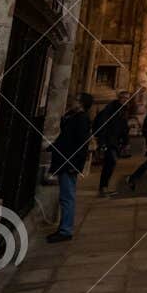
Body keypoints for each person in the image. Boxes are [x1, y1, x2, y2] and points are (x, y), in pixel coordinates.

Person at [47, 93, 94, 243]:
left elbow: (81, 144)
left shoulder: (82, 119)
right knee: (65, 196)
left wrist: (76, 164)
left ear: (80, 103)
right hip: (64, 160)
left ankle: (66, 230)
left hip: (69, 163)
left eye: (75, 99)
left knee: (67, 197)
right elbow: (65, 137)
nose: (71, 101)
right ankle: (64, 227)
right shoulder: (73, 116)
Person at [93, 90, 132, 196]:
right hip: (108, 140)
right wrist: (102, 142)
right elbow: (102, 123)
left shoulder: (124, 110)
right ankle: (103, 188)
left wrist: (125, 141)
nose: (125, 100)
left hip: (115, 141)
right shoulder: (111, 108)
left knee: (111, 163)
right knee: (110, 162)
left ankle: (104, 187)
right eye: (123, 97)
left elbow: (123, 127)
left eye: (127, 98)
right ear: (119, 98)